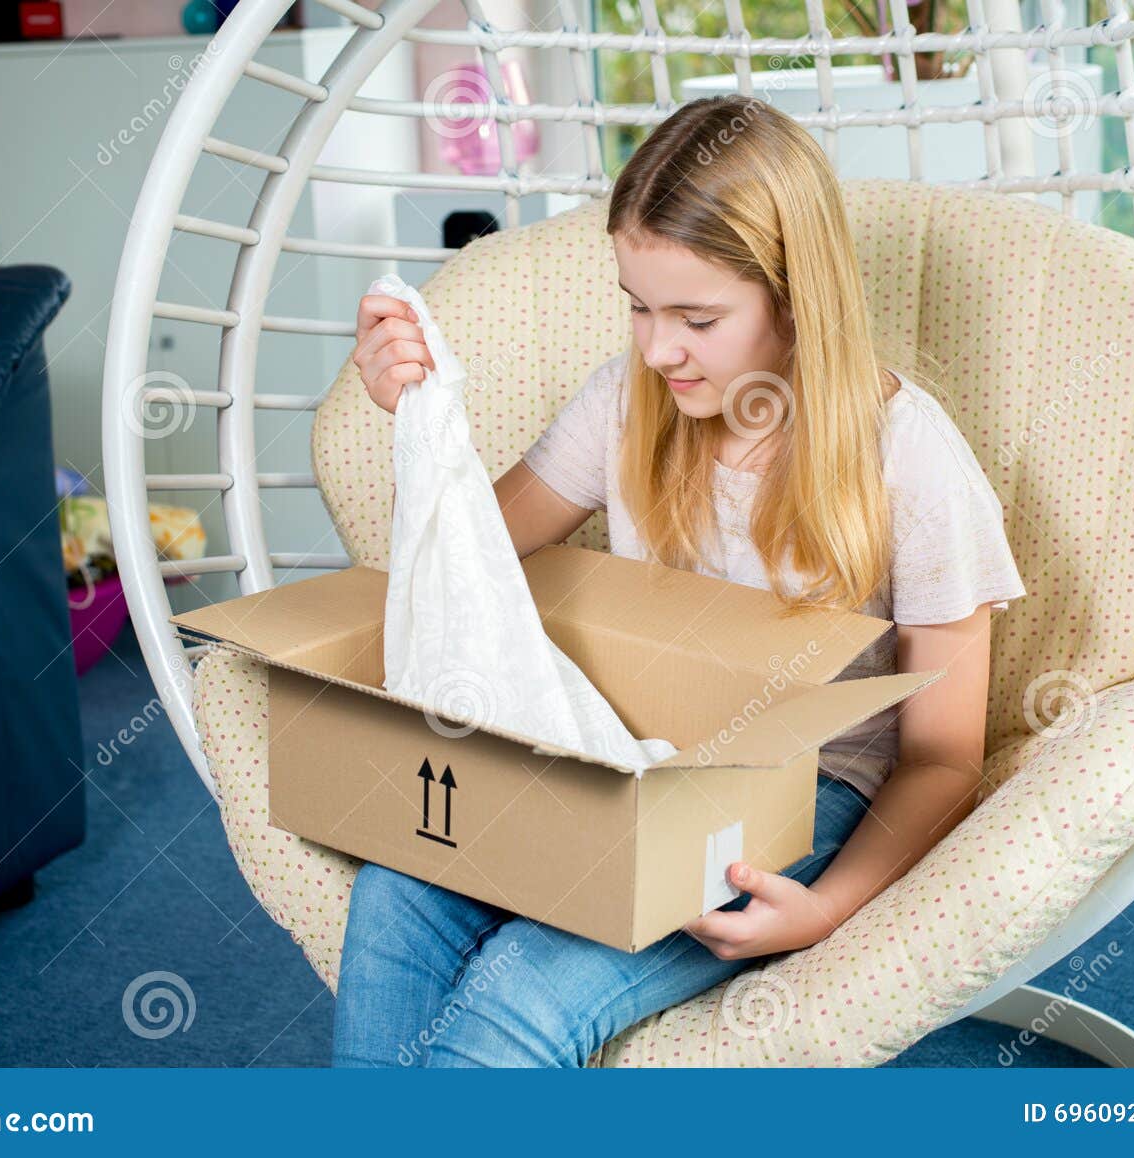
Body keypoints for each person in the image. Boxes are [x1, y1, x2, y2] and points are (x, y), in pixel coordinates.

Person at [333, 94, 1026, 1068]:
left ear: (796, 298)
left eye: (696, 317)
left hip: (801, 788)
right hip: (631, 752)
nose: (658, 348)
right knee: (397, 891)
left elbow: (944, 757)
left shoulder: (909, 461)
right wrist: (415, 418)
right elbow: (466, 555)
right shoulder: (626, 401)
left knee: (513, 1005)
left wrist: (822, 908)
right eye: (637, 305)